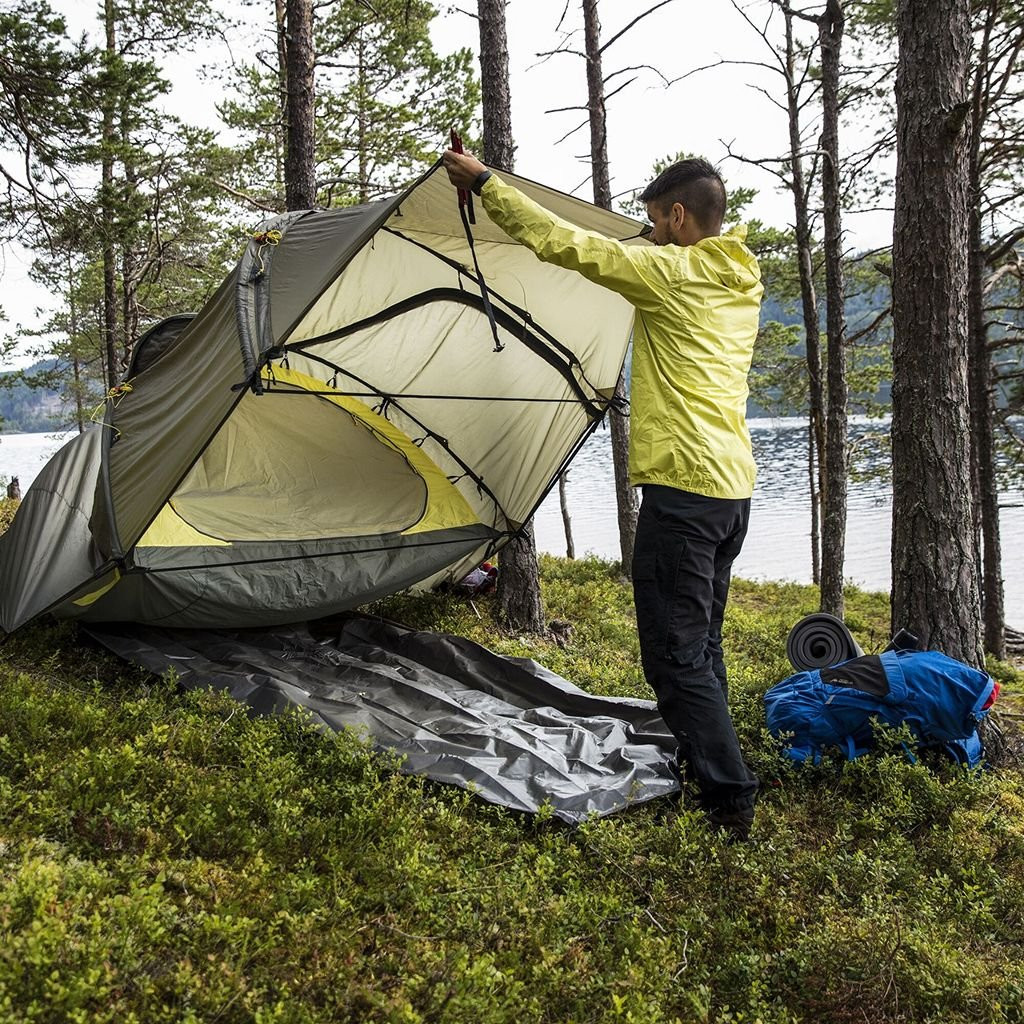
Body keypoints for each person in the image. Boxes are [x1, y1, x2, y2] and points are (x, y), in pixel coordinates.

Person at [442, 150, 762, 840]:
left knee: (674, 655)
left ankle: (730, 803)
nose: (646, 235)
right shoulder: (739, 279)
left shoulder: (674, 273)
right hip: (730, 491)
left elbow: (567, 245)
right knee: (701, 645)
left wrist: (487, 185)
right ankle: (709, 765)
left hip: (684, 492)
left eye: (652, 222)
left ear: (678, 217)